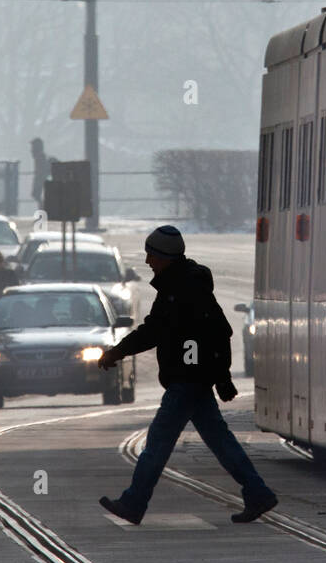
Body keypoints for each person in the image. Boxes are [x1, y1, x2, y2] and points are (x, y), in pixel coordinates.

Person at [97, 225, 278, 526]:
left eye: (151, 255)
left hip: (187, 380)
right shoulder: (185, 284)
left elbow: (157, 331)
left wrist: (116, 352)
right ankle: (257, 492)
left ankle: (134, 502)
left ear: (165, 256)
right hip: (195, 380)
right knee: (220, 441)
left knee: (156, 444)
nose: (147, 261)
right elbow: (218, 330)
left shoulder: (179, 290)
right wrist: (221, 376)